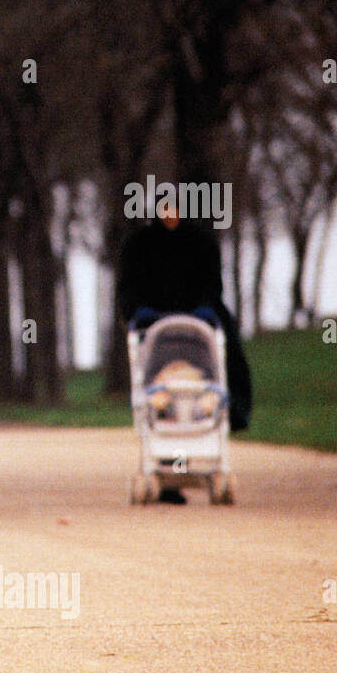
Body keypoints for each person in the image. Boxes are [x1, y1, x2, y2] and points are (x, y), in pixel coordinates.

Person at [117, 206, 252, 503]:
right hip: (154, 329)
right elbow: (128, 288)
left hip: (197, 327)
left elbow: (212, 286)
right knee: (161, 394)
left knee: (215, 373)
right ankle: (167, 473)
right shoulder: (140, 244)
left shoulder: (200, 241)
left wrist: (204, 310)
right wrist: (139, 314)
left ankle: (229, 420)